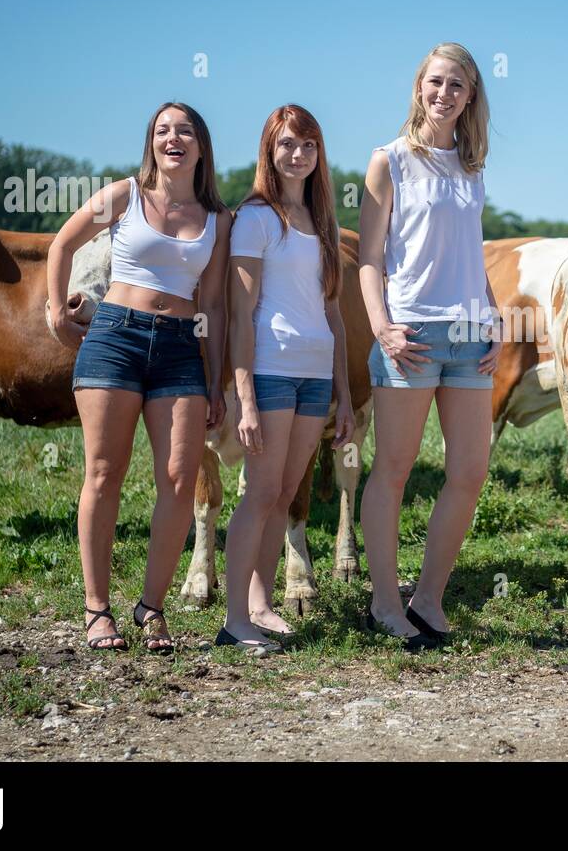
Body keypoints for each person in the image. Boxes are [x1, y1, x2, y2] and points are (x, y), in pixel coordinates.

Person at [49, 102, 230, 653]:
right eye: (162, 131)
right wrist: (57, 312)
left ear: (201, 146)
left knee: (179, 478)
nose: (173, 138)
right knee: (104, 472)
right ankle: (96, 609)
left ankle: (152, 607)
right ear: (152, 143)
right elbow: (62, 243)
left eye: (185, 131)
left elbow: (216, 306)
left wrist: (216, 376)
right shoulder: (126, 195)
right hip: (115, 338)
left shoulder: (218, 220)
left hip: (179, 349)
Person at [356, 42, 501, 650]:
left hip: (470, 336)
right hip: (410, 331)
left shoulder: (472, 166)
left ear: (471, 98)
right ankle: (384, 601)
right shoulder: (388, 161)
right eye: (436, 82)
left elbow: (471, 252)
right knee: (393, 470)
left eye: (458, 86)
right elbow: (368, 258)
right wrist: (381, 326)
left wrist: (493, 318)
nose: (445, 94)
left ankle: (429, 598)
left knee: (469, 471)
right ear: (420, 86)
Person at [219, 105, 355, 654]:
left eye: (308, 146)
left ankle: (261, 605)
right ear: (269, 152)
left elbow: (335, 314)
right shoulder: (254, 219)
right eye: (287, 145)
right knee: (259, 494)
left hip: (315, 376)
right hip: (272, 372)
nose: (297, 155)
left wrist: (345, 395)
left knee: (284, 496)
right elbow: (240, 313)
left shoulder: (321, 223)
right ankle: (234, 621)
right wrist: (245, 397)